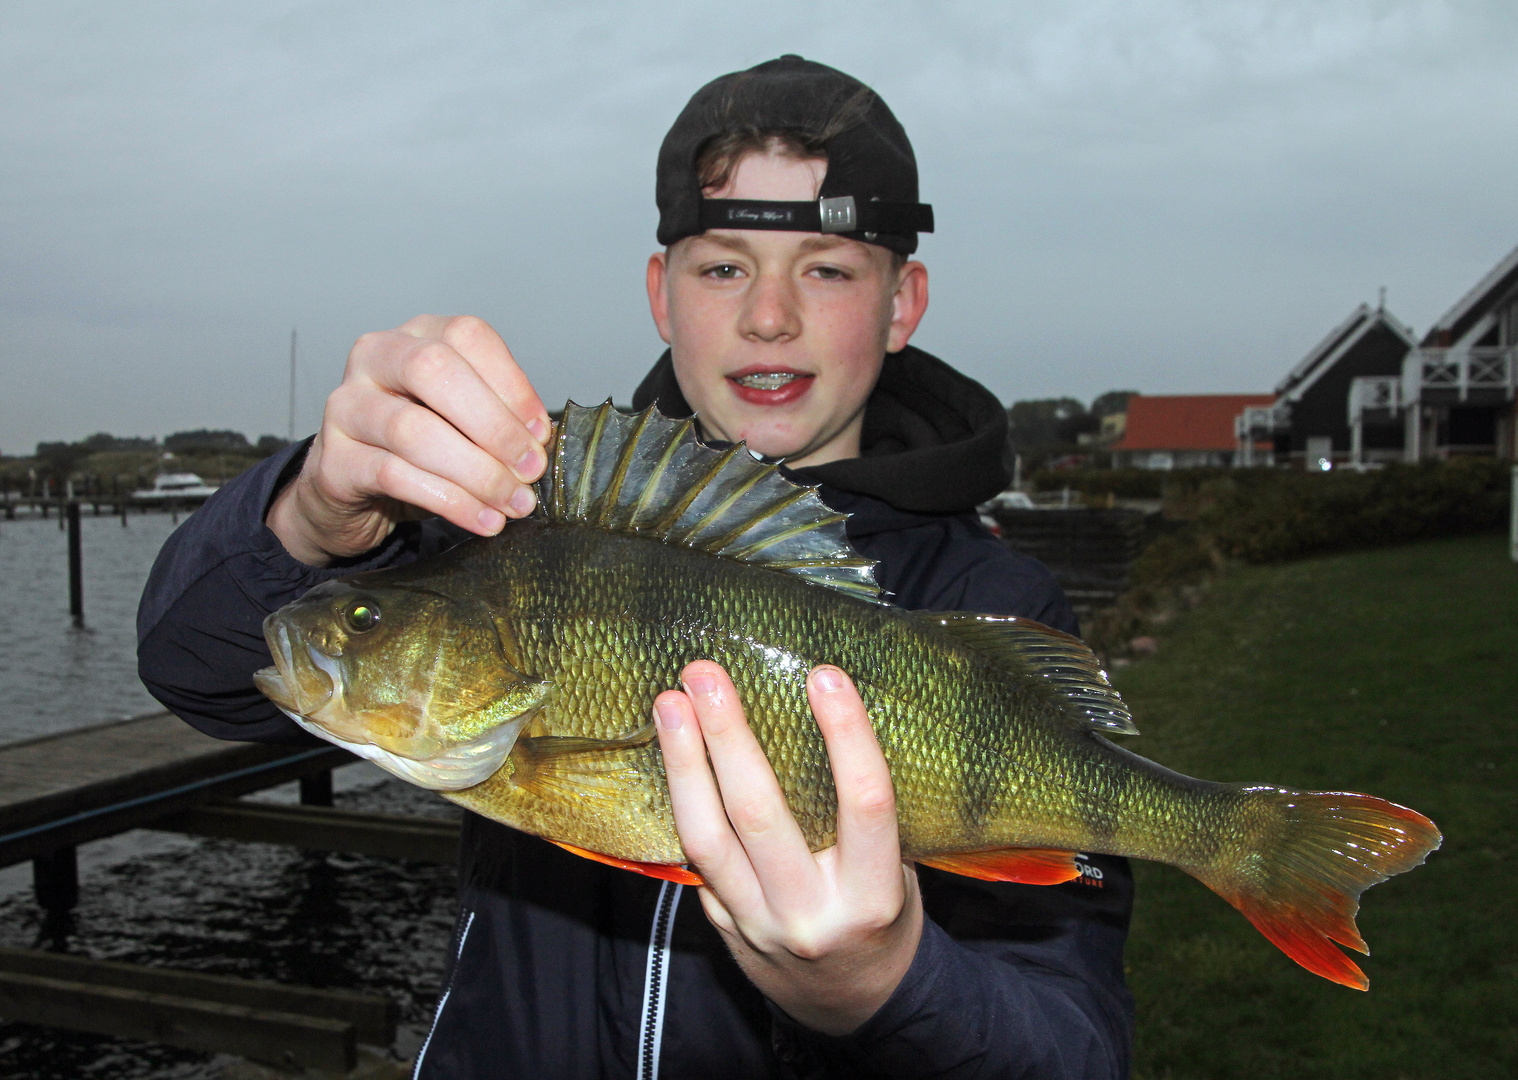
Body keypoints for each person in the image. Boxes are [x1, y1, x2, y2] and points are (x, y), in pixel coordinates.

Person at [139, 56, 1134, 1078]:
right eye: (723, 266)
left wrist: (886, 985)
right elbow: (196, 671)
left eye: (828, 267)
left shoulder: (992, 600)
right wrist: (307, 513)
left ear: (902, 301)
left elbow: (1076, 1052)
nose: (769, 314)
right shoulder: (508, 532)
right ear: (662, 294)